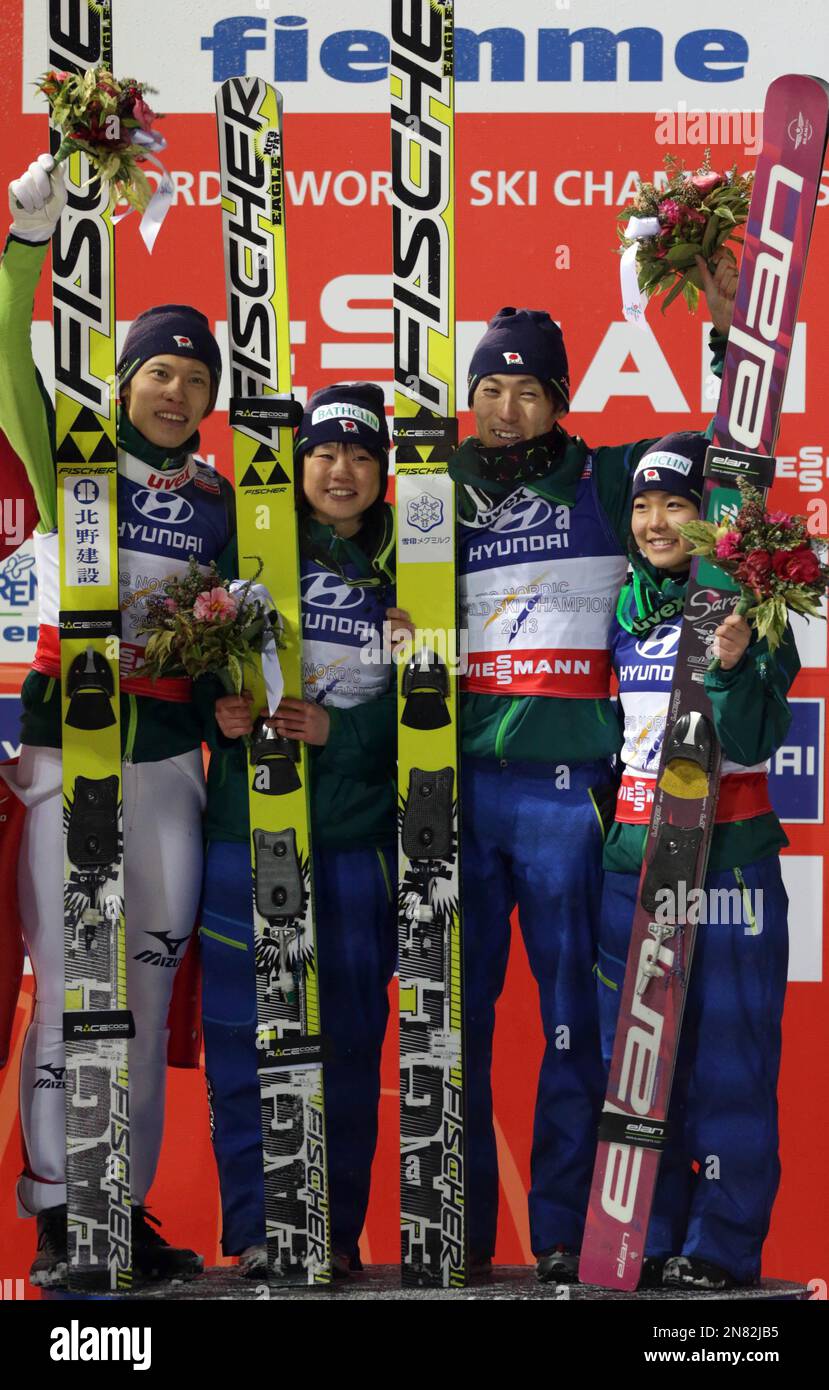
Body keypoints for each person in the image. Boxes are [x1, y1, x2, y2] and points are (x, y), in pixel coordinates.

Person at [447, 253, 737, 1281]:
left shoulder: (609, 479)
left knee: (573, 1024)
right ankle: (455, 1231)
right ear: (469, 397)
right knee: (450, 1025)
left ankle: (565, 1230)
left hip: (567, 799)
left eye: (528, 387)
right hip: (451, 797)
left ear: (558, 399)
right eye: (490, 387)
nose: (508, 405)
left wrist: (726, 327)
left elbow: (726, 459)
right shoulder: (433, 488)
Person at [0, 153, 235, 1285]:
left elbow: (251, 629)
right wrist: (28, 246)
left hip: (169, 767)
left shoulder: (228, 501)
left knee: (143, 986)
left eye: (196, 376)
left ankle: (119, 1208)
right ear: (128, 378)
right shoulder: (75, 457)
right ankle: (55, 1210)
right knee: (72, 986)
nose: (176, 391)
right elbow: (8, 364)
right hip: (68, 754)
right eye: (159, 370)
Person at [199, 383, 407, 1276]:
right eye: (323, 451)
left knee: (351, 1049)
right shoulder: (250, 542)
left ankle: (332, 1234)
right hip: (247, 833)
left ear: (385, 471)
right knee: (248, 1044)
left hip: (355, 840)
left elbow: (441, 708)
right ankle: (256, 1230)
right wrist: (225, 713)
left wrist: (350, 731)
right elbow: (196, 673)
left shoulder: (415, 561)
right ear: (298, 461)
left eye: (361, 454)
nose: (341, 469)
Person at [596, 432, 798, 1289]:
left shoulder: (753, 607)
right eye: (641, 505)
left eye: (674, 504)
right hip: (635, 863)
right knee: (643, 1067)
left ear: (708, 517)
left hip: (730, 866)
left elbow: (754, 736)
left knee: (728, 1060)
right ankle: (646, 1237)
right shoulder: (625, 608)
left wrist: (729, 662)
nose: (653, 522)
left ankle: (718, 1248)